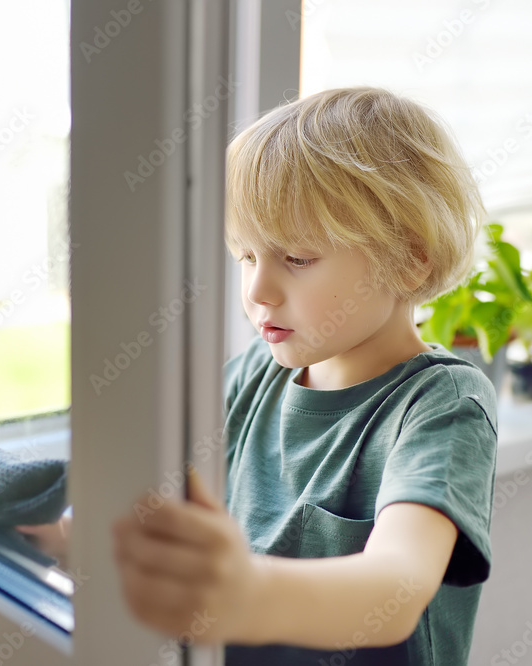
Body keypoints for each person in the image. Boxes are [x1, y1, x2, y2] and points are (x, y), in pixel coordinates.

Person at [111, 86, 497, 664]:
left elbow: (395, 591)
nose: (257, 290)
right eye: (246, 256)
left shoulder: (441, 403)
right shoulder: (254, 374)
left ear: (410, 258)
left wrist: (244, 594)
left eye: (297, 258)